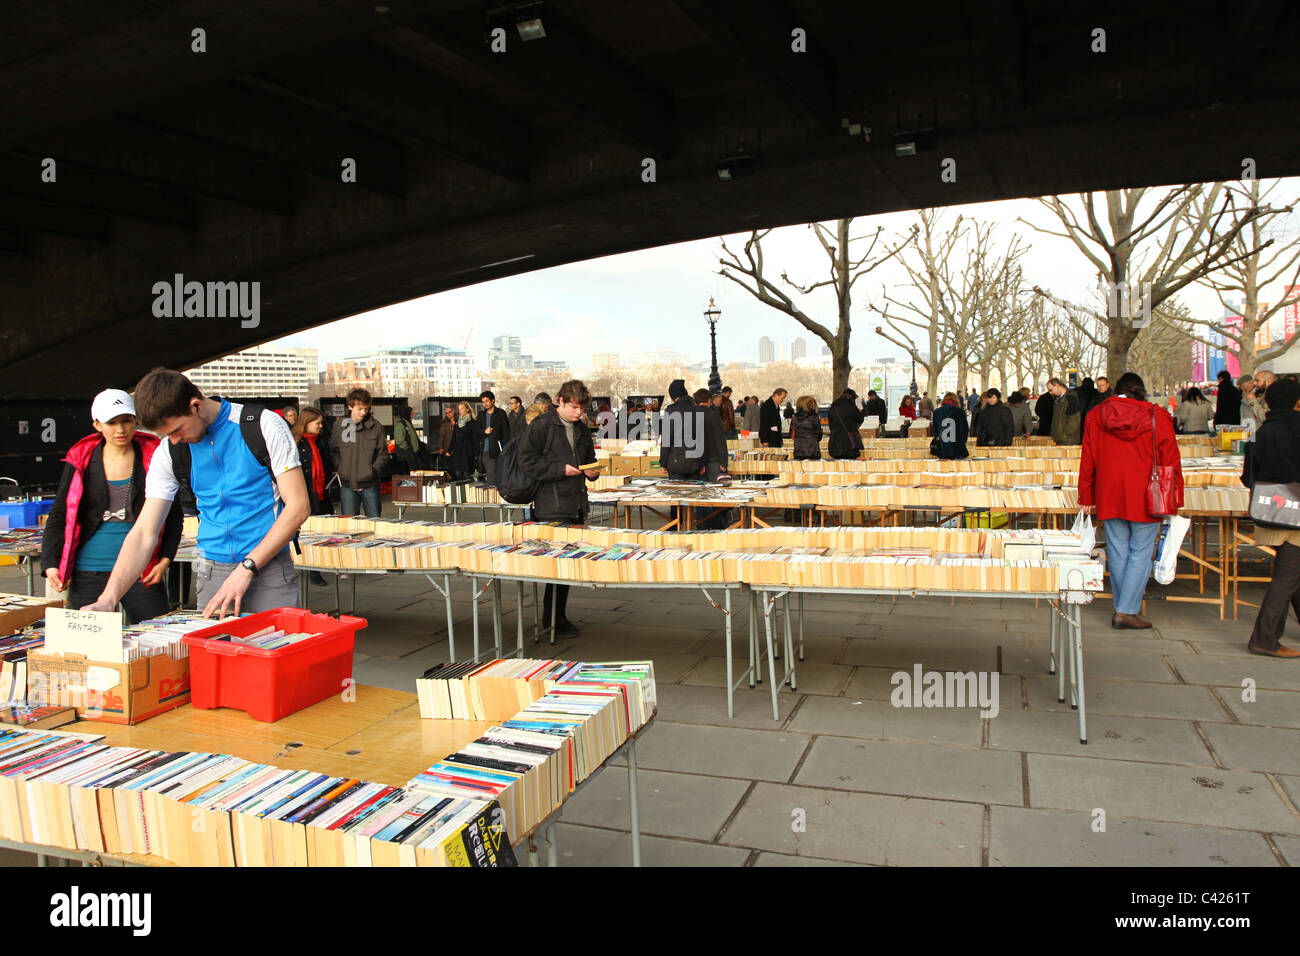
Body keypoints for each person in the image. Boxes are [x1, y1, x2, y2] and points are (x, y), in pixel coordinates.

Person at [81, 370, 310, 618]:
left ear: (195, 406)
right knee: (215, 653)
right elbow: (144, 532)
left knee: (275, 652)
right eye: (167, 434)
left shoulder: (263, 425)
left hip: (268, 569)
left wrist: (247, 567)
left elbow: (298, 506)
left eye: (177, 430)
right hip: (212, 570)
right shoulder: (168, 450)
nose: (175, 440)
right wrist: (108, 598)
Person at [42, 389, 182, 623]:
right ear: (97, 425)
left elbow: (173, 513)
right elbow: (60, 513)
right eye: (112, 422)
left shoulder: (155, 456)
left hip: (141, 569)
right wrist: (50, 563)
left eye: (127, 421)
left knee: (156, 641)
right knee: (87, 647)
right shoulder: (80, 459)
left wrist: (166, 558)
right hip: (88, 569)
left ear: (136, 420)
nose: (121, 429)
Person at [1078, 372, 1184, 629]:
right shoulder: (1156, 416)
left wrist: (1086, 494)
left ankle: (1122, 607)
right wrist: (1175, 495)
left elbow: (1088, 456)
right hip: (1146, 492)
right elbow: (1170, 458)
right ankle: (1126, 610)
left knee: (1117, 550)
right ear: (1141, 390)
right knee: (1141, 551)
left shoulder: (1096, 415)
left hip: (1109, 490)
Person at [517, 380, 602, 638]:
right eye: (574, 407)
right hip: (551, 503)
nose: (578, 413)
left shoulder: (582, 428)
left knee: (568, 565)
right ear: (560, 402)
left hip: (575, 502)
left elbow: (587, 460)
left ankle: (557, 616)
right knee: (556, 565)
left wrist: (592, 472)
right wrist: (559, 470)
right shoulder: (542, 426)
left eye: (581, 408)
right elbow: (526, 460)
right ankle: (552, 618)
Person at [1240, 377, 1300, 657]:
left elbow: (1246, 477)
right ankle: (1264, 639)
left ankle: (1266, 638)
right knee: (1287, 576)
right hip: (1296, 517)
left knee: (1293, 571)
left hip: (1270, 513)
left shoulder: (1259, 431)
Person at [332, 388, 390, 518]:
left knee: (375, 523)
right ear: (350, 406)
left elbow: (383, 454)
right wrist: (341, 469)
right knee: (349, 526)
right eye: (359, 408)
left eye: (366, 408)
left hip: (370, 484)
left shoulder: (376, 427)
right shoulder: (339, 426)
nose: (363, 412)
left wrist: (373, 471)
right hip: (347, 484)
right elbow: (334, 451)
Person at [293, 406, 333, 587]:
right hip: (306, 494)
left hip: (321, 494)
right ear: (306, 423)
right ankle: (311, 569)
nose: (320, 426)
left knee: (321, 532)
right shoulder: (296, 444)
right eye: (317, 423)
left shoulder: (321, 441)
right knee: (305, 534)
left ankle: (318, 566)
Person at [660, 380, 699, 480]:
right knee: (694, 493)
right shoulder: (696, 409)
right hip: (694, 461)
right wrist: (702, 463)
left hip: (676, 461)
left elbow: (666, 439)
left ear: (673, 395)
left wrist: (663, 463)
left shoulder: (671, 410)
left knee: (677, 493)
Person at [473, 390, 510, 486]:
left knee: (497, 475)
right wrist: (484, 432)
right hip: (485, 450)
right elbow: (476, 432)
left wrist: (506, 448)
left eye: (487, 401)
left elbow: (506, 432)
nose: (485, 404)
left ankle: (498, 495)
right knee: (490, 475)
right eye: (483, 402)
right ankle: (494, 495)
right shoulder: (481, 415)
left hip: (497, 449)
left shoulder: (501, 413)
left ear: (493, 400)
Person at [695, 388, 729, 480]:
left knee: (698, 492)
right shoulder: (714, 415)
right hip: (713, 459)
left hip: (695, 460)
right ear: (709, 400)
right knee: (714, 491)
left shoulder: (689, 415)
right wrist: (724, 461)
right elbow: (720, 439)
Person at [828, 388, 865, 459]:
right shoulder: (852, 407)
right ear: (853, 398)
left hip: (835, 442)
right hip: (849, 444)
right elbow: (860, 419)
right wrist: (860, 409)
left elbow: (831, 424)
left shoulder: (834, 406)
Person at [931, 392, 969, 460]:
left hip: (943, 448)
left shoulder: (937, 412)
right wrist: (963, 442)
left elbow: (935, 431)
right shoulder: (960, 411)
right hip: (957, 448)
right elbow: (964, 429)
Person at [1048, 378, 1082, 445]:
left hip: (1067, 440)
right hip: (1061, 438)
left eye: (1051, 390)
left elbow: (1074, 420)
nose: (1050, 392)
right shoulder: (1059, 399)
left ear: (1057, 385)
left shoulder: (1071, 398)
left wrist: (1066, 434)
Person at [449, 401, 478, 481]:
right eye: (459, 409)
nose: (460, 411)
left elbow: (475, 439)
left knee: (466, 474)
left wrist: (476, 454)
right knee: (458, 473)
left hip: (468, 451)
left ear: (467, 409)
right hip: (458, 451)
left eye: (462, 408)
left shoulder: (472, 422)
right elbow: (453, 437)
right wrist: (449, 450)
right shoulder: (457, 423)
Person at [791, 395, 823, 461]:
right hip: (813, 449)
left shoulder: (794, 417)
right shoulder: (814, 416)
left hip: (798, 449)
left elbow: (791, 434)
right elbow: (819, 434)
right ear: (809, 405)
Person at [392, 405, 423, 472]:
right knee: (414, 471)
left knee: (418, 469)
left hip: (413, 452)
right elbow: (399, 440)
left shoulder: (408, 423)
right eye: (411, 414)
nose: (413, 416)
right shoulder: (400, 424)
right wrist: (407, 448)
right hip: (408, 453)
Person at [436, 406, 456, 471]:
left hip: (457, 447)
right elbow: (441, 436)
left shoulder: (459, 420)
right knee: (450, 465)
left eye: (449, 412)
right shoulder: (444, 423)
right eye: (446, 413)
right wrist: (440, 447)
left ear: (453, 412)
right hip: (447, 446)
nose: (448, 414)